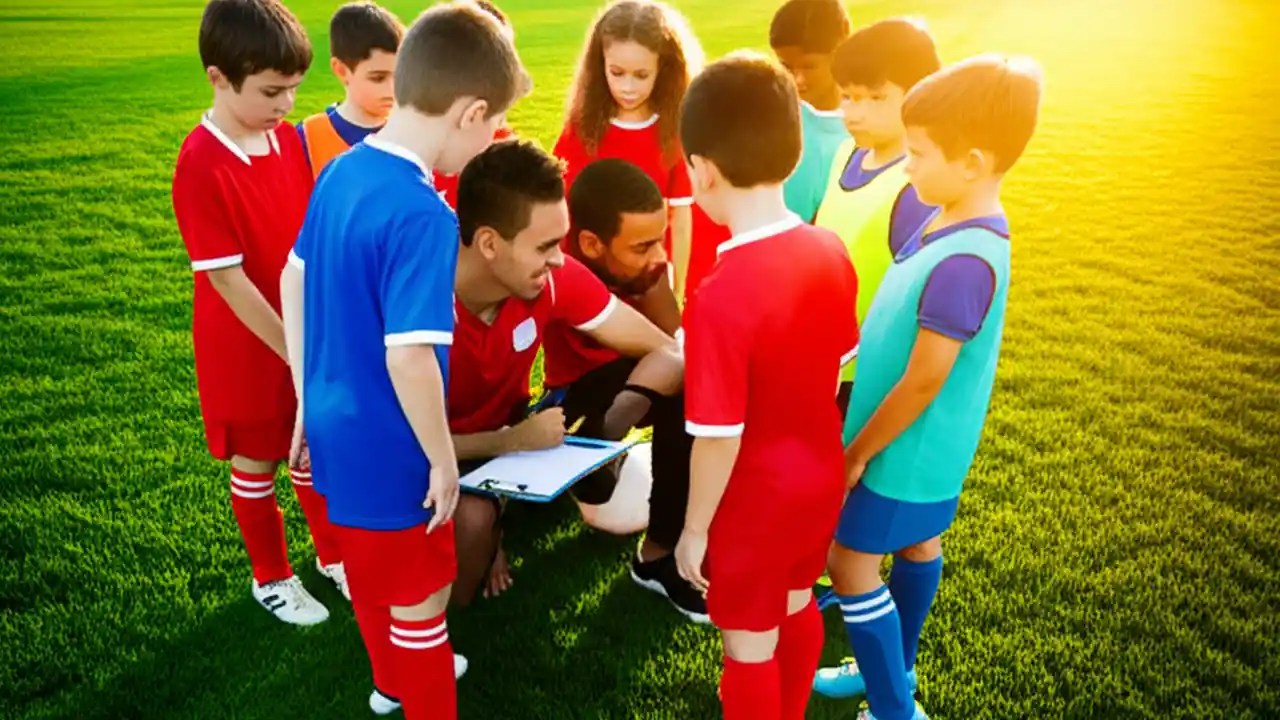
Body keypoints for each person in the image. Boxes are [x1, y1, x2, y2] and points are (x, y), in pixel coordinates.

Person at [280, 5, 527, 718]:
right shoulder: (426, 213)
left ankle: (389, 685)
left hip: (331, 428)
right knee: (422, 606)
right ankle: (416, 689)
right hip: (395, 448)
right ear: (470, 112)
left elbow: (293, 278)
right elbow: (412, 356)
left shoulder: (341, 169)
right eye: (491, 127)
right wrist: (443, 458)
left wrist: (305, 391)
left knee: (371, 575)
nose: (488, 142)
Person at [812, 55, 1043, 720]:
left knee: (848, 562)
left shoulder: (968, 260)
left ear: (972, 161)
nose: (906, 168)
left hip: (904, 452)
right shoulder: (945, 216)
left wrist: (857, 454)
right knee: (917, 546)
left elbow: (922, 382)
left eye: (917, 155)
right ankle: (892, 670)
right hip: (918, 451)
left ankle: (893, 708)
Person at [672, 53, 859, 720]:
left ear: (703, 170)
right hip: (817, 478)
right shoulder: (830, 251)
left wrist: (693, 531)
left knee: (747, 646)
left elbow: (718, 439)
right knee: (796, 601)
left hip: (755, 500)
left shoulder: (718, 297)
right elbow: (835, 367)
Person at [444, 141, 684, 612]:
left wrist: (659, 298)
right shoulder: (420, 304)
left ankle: (657, 546)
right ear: (490, 243)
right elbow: (395, 445)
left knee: (680, 374)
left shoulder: (555, 278)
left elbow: (666, 349)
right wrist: (510, 441)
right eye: (546, 245)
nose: (560, 259)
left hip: (511, 446)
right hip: (426, 458)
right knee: (464, 552)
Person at [171, 0, 338, 625]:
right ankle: (270, 577)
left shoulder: (281, 139)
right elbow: (228, 280)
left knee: (309, 444)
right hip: (244, 342)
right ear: (218, 77)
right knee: (258, 458)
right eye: (272, 91)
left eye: (294, 90)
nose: (287, 105)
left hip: (301, 327)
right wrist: (293, 349)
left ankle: (334, 555)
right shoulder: (201, 162)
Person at [544, 157, 704, 621]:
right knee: (602, 509)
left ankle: (658, 557)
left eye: (660, 239)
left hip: (637, 385)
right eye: (642, 245)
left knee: (688, 386)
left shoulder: (648, 274)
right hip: (571, 399)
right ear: (591, 243)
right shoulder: (550, 270)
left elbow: (676, 349)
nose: (659, 256)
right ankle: (592, 447)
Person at [554, 0, 725, 302]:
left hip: (648, 279)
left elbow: (681, 219)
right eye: (617, 73)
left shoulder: (673, 132)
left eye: (641, 75)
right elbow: (559, 203)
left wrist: (678, 290)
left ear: (664, 68)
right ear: (600, 65)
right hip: (589, 276)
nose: (628, 87)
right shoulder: (583, 127)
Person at [813, 18, 941, 408]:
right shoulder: (844, 155)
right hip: (817, 358)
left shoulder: (916, 186)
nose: (855, 112)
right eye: (848, 97)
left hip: (866, 376)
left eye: (875, 98)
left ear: (919, 95)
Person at [297, 2, 403, 178]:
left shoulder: (410, 133)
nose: (392, 89)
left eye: (399, 76)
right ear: (341, 70)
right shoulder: (309, 137)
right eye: (378, 78)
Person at [768, 0, 852, 222]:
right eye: (786, 66)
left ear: (841, 48)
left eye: (809, 66)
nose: (798, 80)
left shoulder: (871, 122)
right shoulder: (776, 119)